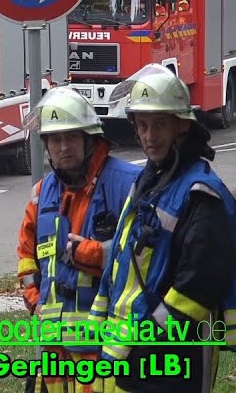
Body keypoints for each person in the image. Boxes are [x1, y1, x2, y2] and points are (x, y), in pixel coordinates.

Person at [86, 64, 236, 393]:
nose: (150, 137)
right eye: (142, 126)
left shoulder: (201, 193)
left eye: (159, 125)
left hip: (170, 360)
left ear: (181, 127)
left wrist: (146, 345)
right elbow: (120, 267)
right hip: (129, 360)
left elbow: (196, 288)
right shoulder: (150, 180)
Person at [15, 87, 139, 393]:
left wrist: (93, 254)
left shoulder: (125, 184)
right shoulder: (42, 193)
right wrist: (35, 303)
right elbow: (27, 259)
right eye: (55, 139)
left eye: (71, 137)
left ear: (90, 139)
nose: (63, 146)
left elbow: (143, 256)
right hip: (55, 350)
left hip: (104, 349)